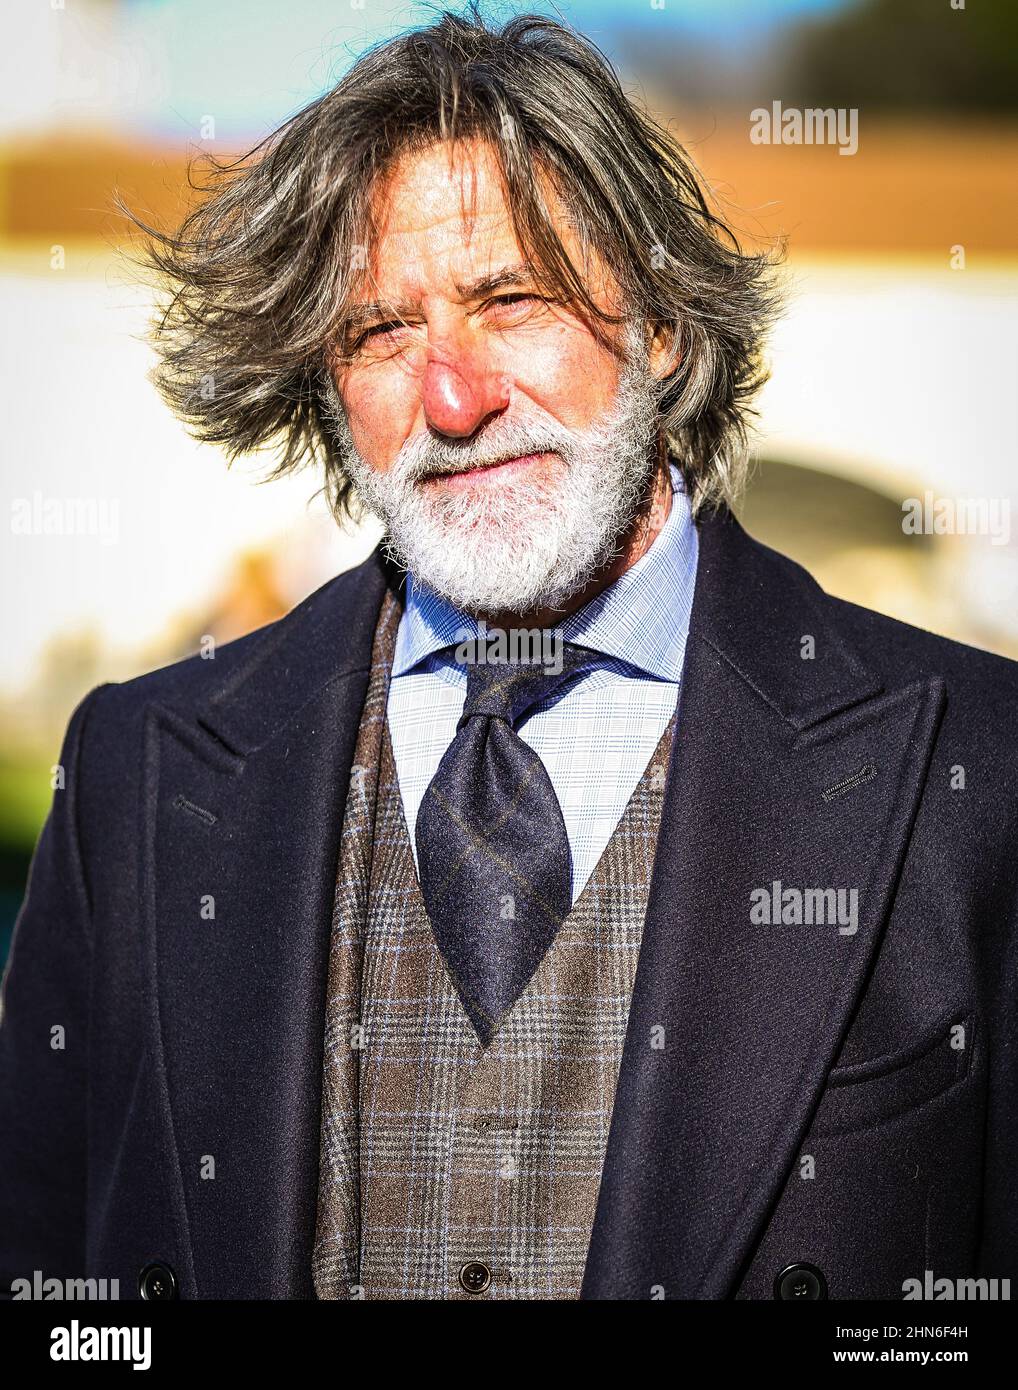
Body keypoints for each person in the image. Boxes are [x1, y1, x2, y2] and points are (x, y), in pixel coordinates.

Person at [1, 10, 1015, 1302]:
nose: (451, 397)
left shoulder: (975, 772)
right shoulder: (137, 773)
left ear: (657, 325)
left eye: (510, 300)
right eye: (378, 335)